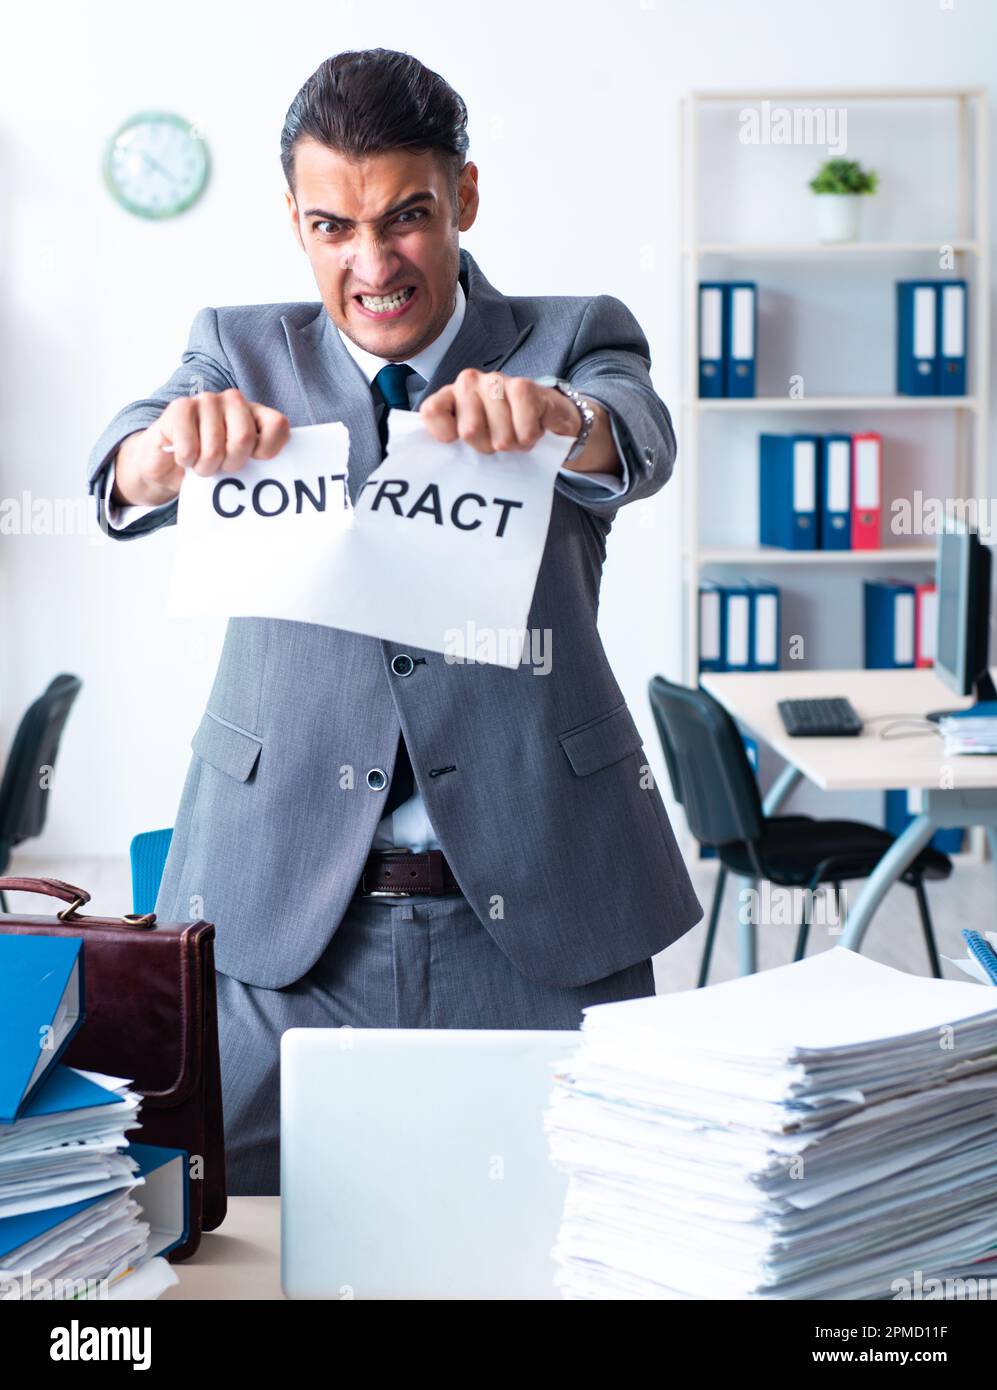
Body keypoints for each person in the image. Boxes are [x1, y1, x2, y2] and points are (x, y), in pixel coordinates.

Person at [86, 48, 703, 1195]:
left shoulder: (568, 337)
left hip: (540, 914)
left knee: (570, 1232)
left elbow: (636, 435)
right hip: (280, 917)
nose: (371, 263)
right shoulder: (241, 347)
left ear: (463, 197)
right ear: (295, 221)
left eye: (407, 217)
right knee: (237, 1239)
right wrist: (160, 455)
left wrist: (560, 420)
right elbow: (125, 460)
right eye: (332, 227)